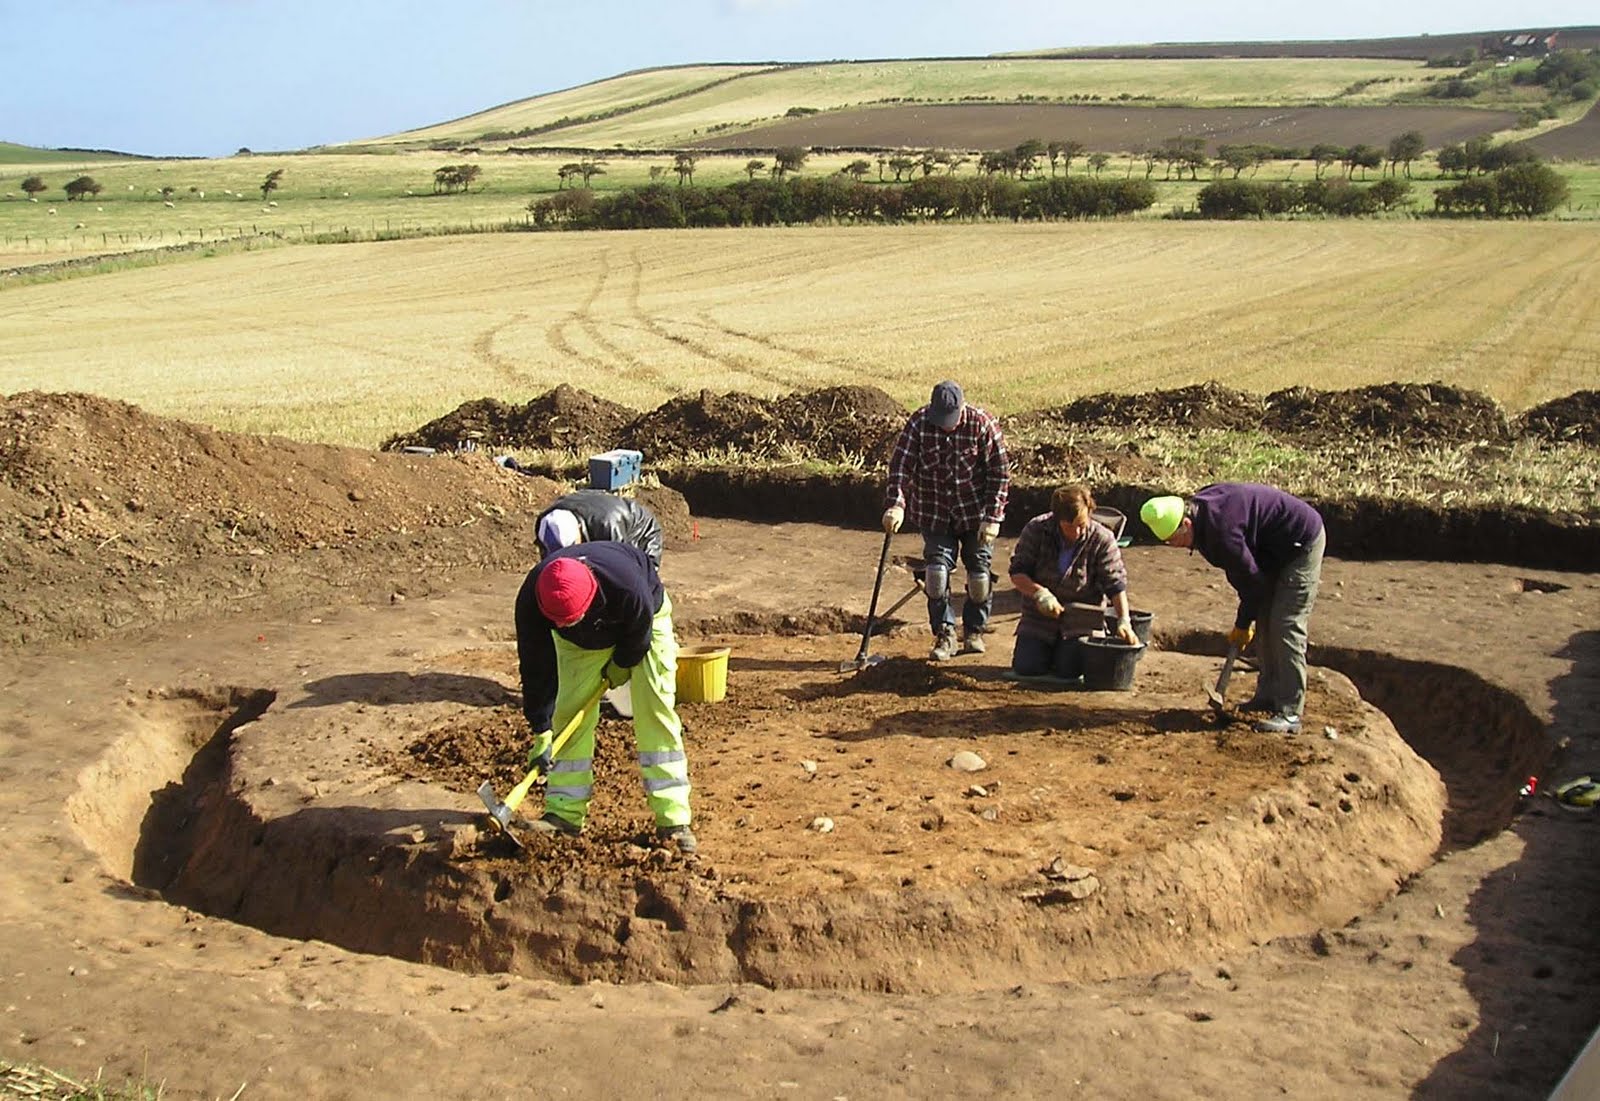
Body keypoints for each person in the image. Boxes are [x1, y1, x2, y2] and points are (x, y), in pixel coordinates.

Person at [513, 542, 696, 852]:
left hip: (645, 622)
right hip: (580, 643)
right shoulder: (532, 599)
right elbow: (535, 665)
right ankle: (563, 815)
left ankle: (673, 820)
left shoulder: (627, 585)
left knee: (655, 709)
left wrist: (622, 663)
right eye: (558, 622)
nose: (562, 624)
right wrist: (541, 729)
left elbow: (640, 631)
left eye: (569, 619)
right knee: (569, 713)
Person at [1140, 484, 1325, 734]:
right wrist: (1249, 619)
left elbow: (1252, 584)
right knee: (1265, 620)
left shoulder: (1222, 533)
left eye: (1173, 539)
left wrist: (1242, 624)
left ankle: (1290, 712)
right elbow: (1247, 578)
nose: (1173, 545)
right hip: (1271, 549)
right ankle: (1267, 696)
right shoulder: (1202, 513)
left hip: (1300, 542)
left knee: (1285, 624)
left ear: (1186, 523)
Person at [882, 380, 1010, 662]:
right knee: (936, 576)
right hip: (935, 513)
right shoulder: (919, 424)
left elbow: (999, 472)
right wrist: (896, 505)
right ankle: (945, 634)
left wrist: (993, 517)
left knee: (979, 576)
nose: (946, 426)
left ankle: (974, 631)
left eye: (950, 420)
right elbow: (900, 467)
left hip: (975, 515)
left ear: (962, 408)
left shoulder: (982, 424)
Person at [1008, 484, 1140, 680]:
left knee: (1069, 669)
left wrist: (1124, 620)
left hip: (1082, 620)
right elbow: (1018, 572)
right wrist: (1040, 593)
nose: (1077, 532)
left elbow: (1115, 583)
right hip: (1039, 618)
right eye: (1069, 526)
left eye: (1081, 524)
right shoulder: (1036, 529)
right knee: (1028, 666)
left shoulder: (1102, 538)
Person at [535, 489, 664, 569]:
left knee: (641, 580)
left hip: (641, 531)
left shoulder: (608, 527)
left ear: (579, 528)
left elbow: (618, 568)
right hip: (598, 511)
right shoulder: (545, 522)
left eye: (572, 547)